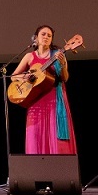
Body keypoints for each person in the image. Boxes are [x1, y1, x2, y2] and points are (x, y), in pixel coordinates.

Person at [10, 25, 77, 154]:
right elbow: (13, 76)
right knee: (35, 135)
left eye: (49, 35)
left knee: (54, 133)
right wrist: (26, 76)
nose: (46, 37)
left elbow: (65, 77)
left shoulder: (58, 55)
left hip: (54, 100)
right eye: (43, 34)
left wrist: (62, 65)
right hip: (35, 99)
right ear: (36, 38)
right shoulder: (30, 56)